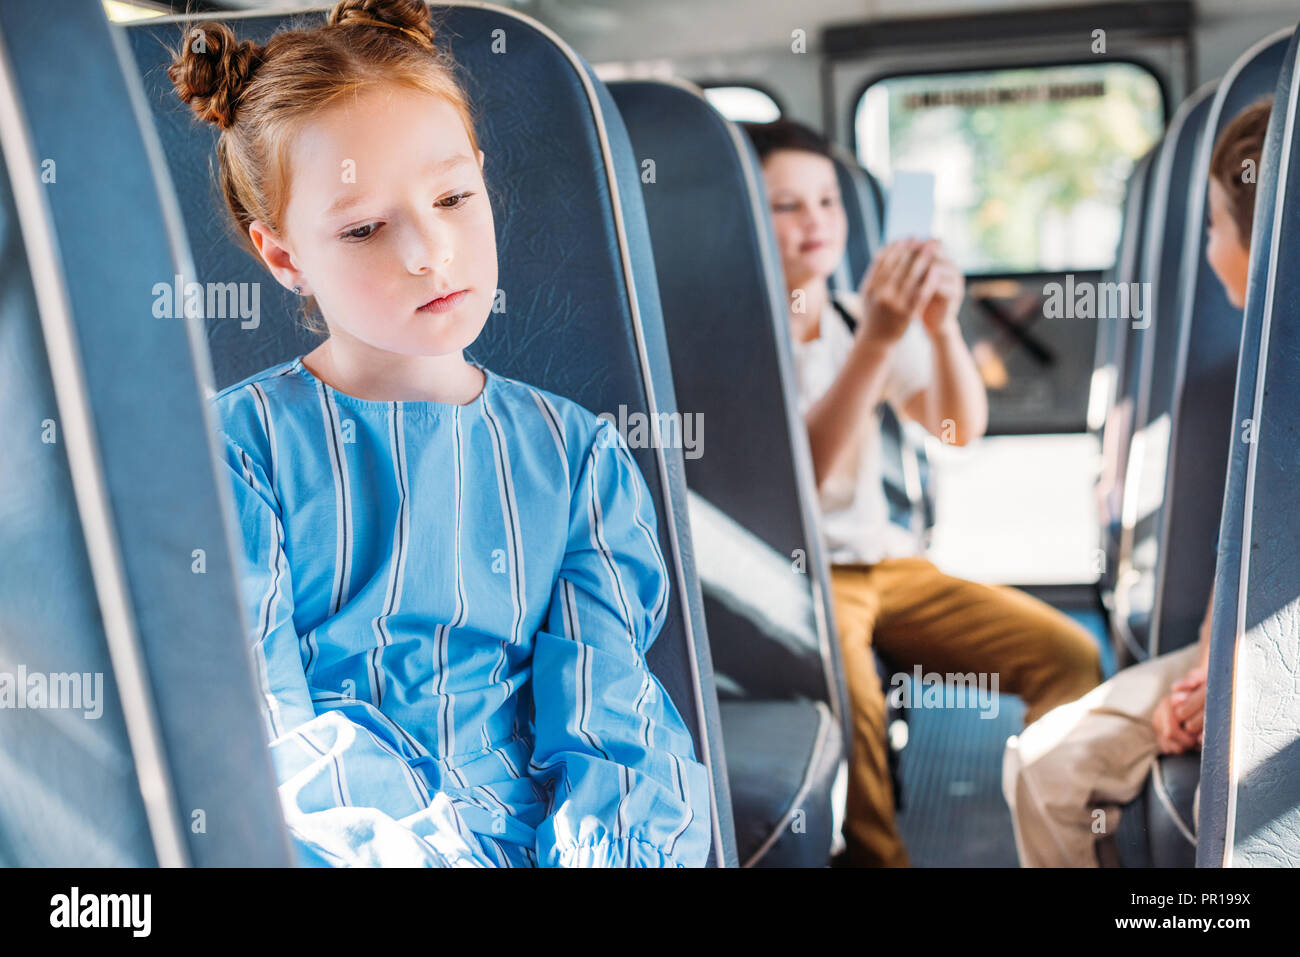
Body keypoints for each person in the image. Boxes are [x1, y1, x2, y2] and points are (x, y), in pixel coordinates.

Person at [168, 0, 711, 868]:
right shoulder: (232, 451)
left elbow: (611, 717)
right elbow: (261, 724)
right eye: (363, 227)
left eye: (453, 196)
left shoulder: (576, 458)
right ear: (285, 256)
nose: (429, 249)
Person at [741, 118, 1104, 867]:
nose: (816, 222)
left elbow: (955, 427)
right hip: (798, 574)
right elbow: (798, 478)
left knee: (1066, 652)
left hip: (887, 567)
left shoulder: (850, 319)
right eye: (787, 205)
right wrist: (880, 341)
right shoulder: (733, 336)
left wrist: (937, 330)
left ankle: (1062, 844)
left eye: (827, 201)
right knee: (856, 702)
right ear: (742, 211)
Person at [1001, 97, 1272, 867]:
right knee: (1040, 762)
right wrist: (1210, 670)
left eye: (1216, 227)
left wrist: (1233, 689)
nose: (1211, 248)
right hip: (1231, 652)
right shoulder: (1251, 384)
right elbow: (1249, 561)